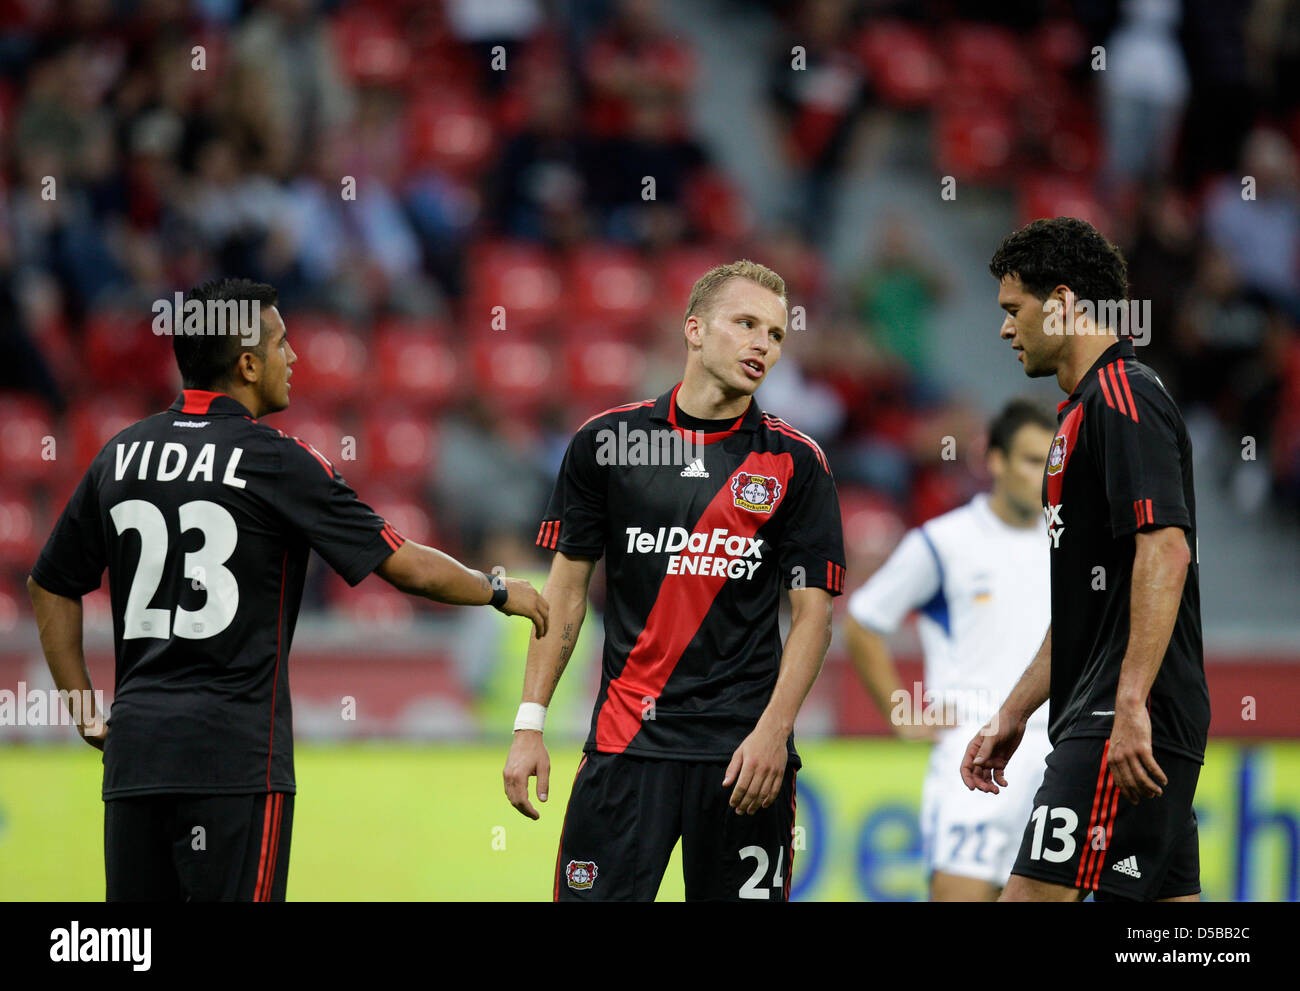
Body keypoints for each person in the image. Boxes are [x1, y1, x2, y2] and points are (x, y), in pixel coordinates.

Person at [26, 278, 548, 902]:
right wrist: (495, 590)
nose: (293, 357)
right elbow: (403, 564)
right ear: (247, 364)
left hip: (138, 757)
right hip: (235, 757)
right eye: (280, 343)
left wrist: (84, 706)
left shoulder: (120, 454)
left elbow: (49, 584)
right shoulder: (277, 460)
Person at [502, 260, 846, 901]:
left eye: (774, 334)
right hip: (626, 746)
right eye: (745, 323)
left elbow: (814, 618)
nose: (761, 345)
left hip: (742, 757)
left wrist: (774, 732)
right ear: (693, 329)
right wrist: (530, 725)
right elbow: (567, 593)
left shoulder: (796, 462)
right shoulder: (607, 444)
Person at [963, 217, 1210, 902]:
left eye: (1014, 310)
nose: (1007, 330)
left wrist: (1130, 702)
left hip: (1122, 720)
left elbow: (1166, 548)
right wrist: (1014, 711)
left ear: (1064, 301)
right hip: (1116, 716)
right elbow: (1085, 605)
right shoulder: (1075, 418)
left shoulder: (1125, 396)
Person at [844, 399, 1056, 901]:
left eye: (1050, 462)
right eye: (1029, 460)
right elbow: (863, 621)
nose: (1042, 475)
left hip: (1056, 756)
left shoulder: (1068, 542)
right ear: (996, 462)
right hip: (975, 757)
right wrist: (902, 712)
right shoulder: (944, 542)